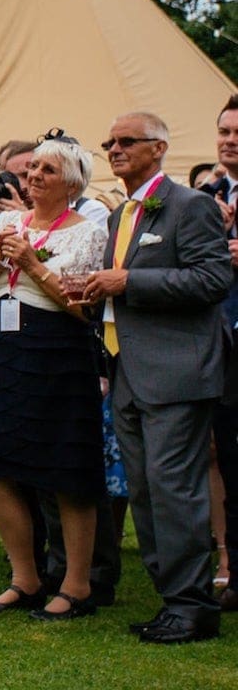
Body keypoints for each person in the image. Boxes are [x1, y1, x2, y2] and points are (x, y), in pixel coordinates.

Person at [81, 111, 231, 643]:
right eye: (110, 141)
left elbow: (212, 278)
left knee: (175, 490)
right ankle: (173, 598)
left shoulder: (190, 205)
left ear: (159, 148)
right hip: (127, 371)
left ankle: (194, 606)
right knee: (144, 491)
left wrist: (128, 281)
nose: (115, 148)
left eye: (127, 141)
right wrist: (98, 291)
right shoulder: (122, 212)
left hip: (177, 372)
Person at [0, 135, 108, 620]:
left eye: (47, 169)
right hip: (6, 350)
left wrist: (30, 263)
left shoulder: (88, 231)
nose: (34, 176)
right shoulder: (6, 221)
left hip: (58, 350)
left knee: (66, 470)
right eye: (33, 169)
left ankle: (76, 584)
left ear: (72, 181)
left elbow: (80, 306)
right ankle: (24, 577)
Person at [205, 95, 238, 610]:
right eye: (224, 131)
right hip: (222, 341)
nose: (229, 141)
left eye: (237, 133)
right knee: (226, 457)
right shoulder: (210, 196)